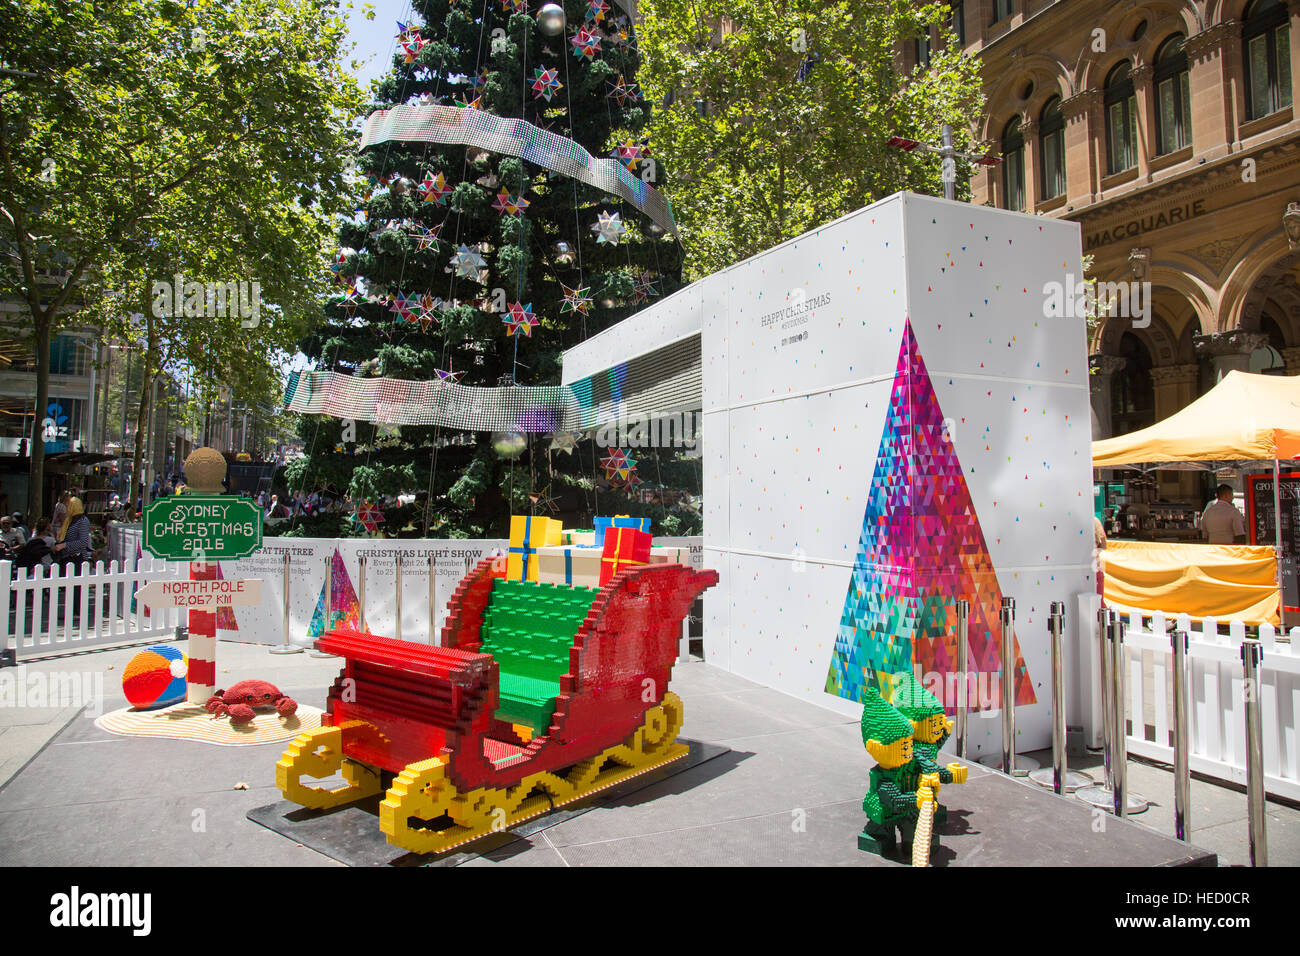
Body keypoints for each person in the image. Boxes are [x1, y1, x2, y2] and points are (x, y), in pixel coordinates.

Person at [52, 496, 93, 566]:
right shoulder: (69, 520)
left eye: (69, 505)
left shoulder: (83, 521)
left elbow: (83, 542)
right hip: (66, 557)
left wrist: (64, 545)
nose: (67, 507)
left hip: (77, 559)